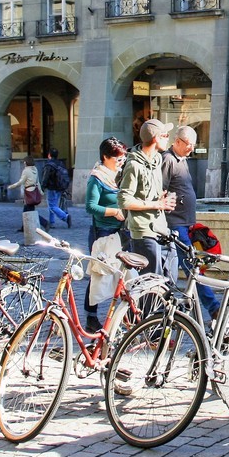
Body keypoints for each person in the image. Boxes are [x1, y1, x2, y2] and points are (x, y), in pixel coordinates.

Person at [160, 125, 218, 319]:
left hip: (184, 222)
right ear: (177, 141)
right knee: (191, 265)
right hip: (175, 223)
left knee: (185, 266)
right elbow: (161, 191)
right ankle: (213, 306)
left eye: (194, 145)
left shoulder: (182, 160)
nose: (191, 148)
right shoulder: (168, 160)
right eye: (189, 145)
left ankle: (186, 305)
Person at [118, 119, 176, 275]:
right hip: (143, 231)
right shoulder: (134, 165)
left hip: (161, 228)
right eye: (165, 135)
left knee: (171, 277)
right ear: (156, 138)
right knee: (151, 283)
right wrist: (157, 204)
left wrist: (163, 198)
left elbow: (149, 194)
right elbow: (124, 200)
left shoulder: (157, 159)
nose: (168, 138)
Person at [84, 137, 128, 331]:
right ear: (105, 157)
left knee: (123, 275)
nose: (121, 161)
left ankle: (124, 316)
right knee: (99, 274)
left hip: (120, 231)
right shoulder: (97, 177)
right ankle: (91, 317)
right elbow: (90, 206)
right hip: (103, 232)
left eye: (123, 158)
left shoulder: (120, 174)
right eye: (118, 158)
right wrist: (114, 212)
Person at [6, 157, 45, 225]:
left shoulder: (26, 171)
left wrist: (11, 186)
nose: (24, 163)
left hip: (29, 192)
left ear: (26, 162)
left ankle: (45, 223)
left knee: (29, 212)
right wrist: (40, 191)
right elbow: (37, 182)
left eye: (24, 161)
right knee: (27, 211)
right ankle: (23, 227)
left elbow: (20, 182)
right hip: (34, 191)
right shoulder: (35, 169)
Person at [39, 148, 71, 228]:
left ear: (49, 155)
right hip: (59, 187)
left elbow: (45, 178)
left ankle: (65, 217)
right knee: (53, 205)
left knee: (52, 206)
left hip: (52, 187)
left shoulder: (49, 165)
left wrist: (42, 187)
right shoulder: (60, 163)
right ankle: (51, 222)